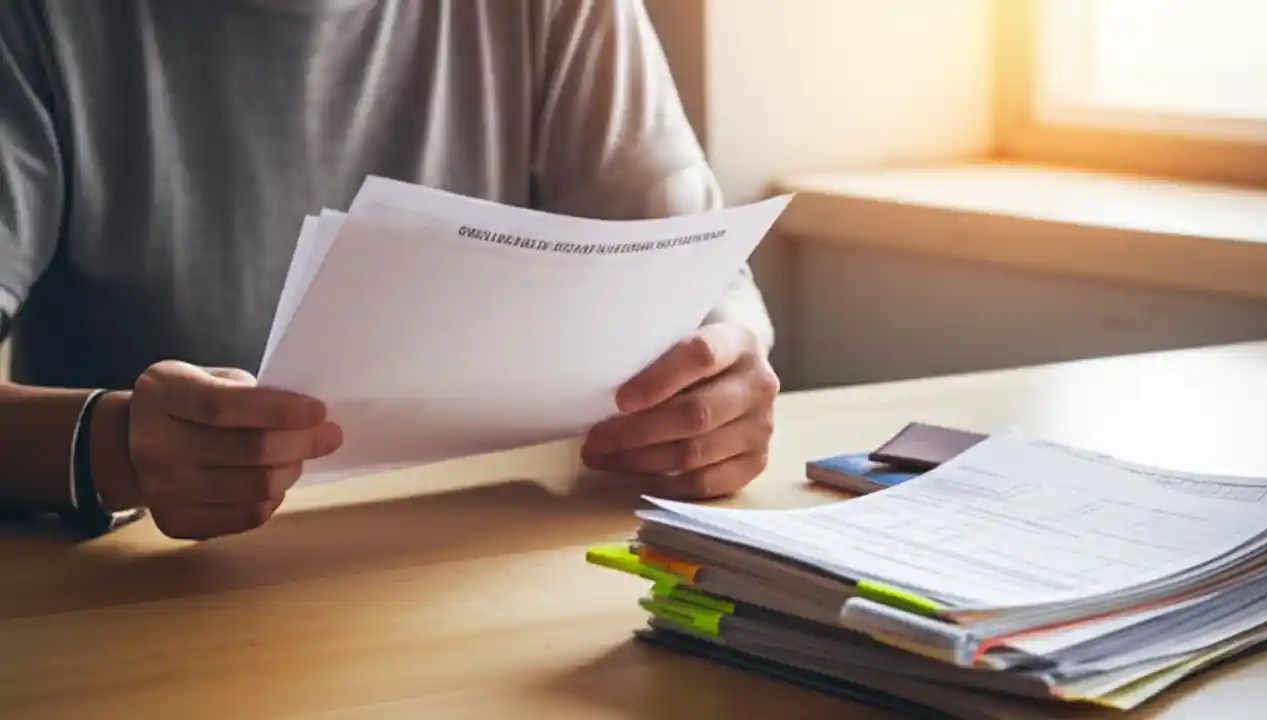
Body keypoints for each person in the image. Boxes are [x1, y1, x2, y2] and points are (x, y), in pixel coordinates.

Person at [0, 0, 779, 540]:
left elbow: (701, 274)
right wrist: (109, 446)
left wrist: (720, 385)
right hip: (143, 594)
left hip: (486, 567)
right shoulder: (38, 22)